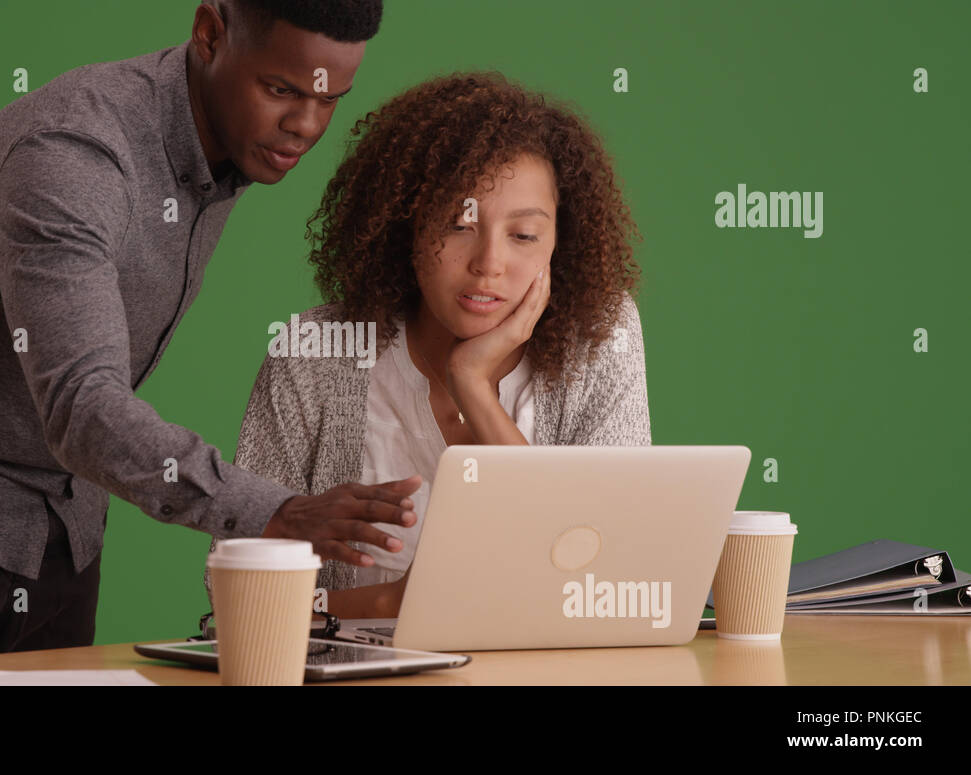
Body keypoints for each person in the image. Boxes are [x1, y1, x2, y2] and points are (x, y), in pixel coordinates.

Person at [0, 0, 422, 667]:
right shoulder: (72, 153)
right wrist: (276, 512)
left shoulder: (226, 141)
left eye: (329, 99)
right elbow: (83, 405)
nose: (305, 125)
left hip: (58, 503)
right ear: (210, 33)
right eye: (281, 90)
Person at [206, 72, 650, 619]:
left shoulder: (601, 337)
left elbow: (607, 579)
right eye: (457, 225)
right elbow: (237, 598)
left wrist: (475, 386)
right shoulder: (315, 354)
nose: (488, 262)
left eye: (524, 235)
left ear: (562, 241)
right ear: (405, 225)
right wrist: (390, 601)